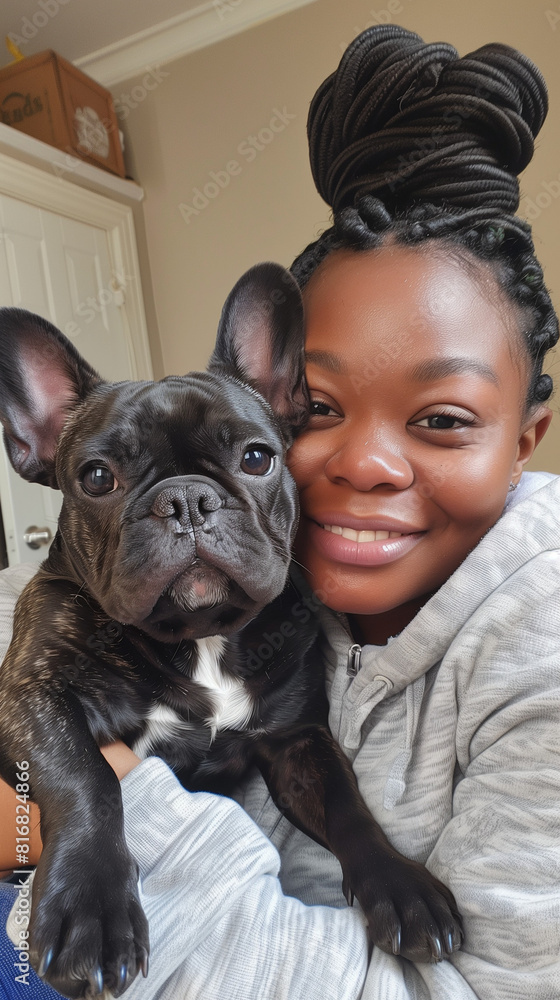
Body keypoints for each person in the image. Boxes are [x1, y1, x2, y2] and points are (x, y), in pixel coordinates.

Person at [1, 22, 559, 1000]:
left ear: (526, 437)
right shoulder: (305, 578)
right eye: (325, 410)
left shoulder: (530, 650)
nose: (367, 464)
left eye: (441, 417)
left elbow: (296, 754)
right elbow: (30, 709)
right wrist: (46, 814)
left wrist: (57, 819)